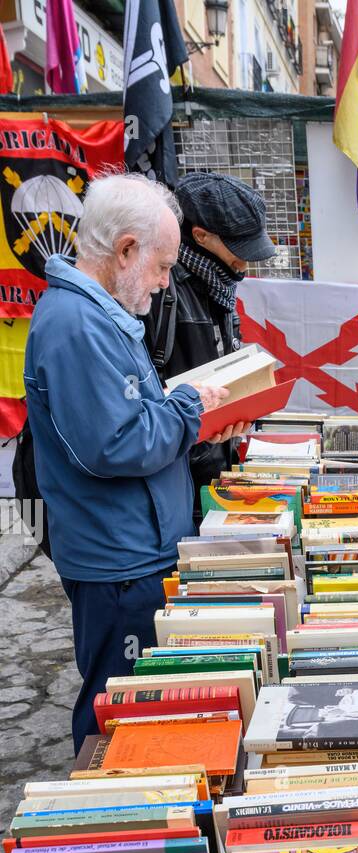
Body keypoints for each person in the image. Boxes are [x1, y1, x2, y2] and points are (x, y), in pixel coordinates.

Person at [23, 173, 237, 754]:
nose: (167, 283)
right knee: (116, 709)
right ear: (125, 250)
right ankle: (100, 829)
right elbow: (115, 444)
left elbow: (131, 423)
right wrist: (190, 409)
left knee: (141, 709)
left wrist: (194, 426)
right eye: (163, 266)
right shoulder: (76, 324)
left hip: (137, 547)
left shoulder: (101, 312)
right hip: (118, 558)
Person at [143, 172, 276, 516]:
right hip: (178, 478)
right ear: (200, 236)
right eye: (238, 250)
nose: (244, 265)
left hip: (212, 464)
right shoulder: (157, 291)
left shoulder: (219, 284)